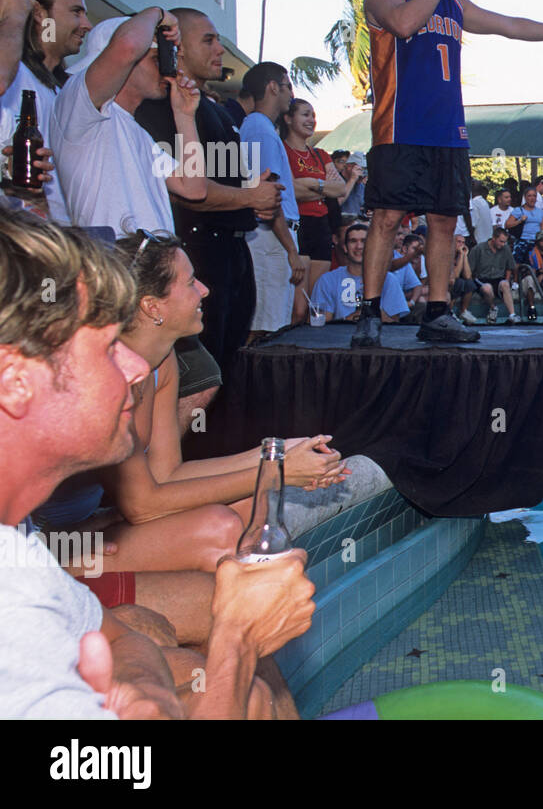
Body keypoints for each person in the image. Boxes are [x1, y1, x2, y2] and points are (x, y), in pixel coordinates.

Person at [0, 210, 315, 719]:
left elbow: (118, 638)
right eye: (105, 347)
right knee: (238, 672)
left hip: (77, 550)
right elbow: (143, 502)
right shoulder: (13, 595)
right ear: (14, 382)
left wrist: (141, 685)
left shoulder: (16, 548)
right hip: (81, 547)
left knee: (232, 678)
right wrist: (237, 640)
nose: (130, 368)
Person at [354, 0, 543, 347]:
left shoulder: (452, 4)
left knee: (445, 222)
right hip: (401, 126)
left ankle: (438, 312)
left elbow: (511, 26)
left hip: (448, 130)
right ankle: (369, 313)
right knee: (388, 217)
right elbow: (404, 24)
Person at [133, 8, 281, 377]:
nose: (219, 49)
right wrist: (250, 197)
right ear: (177, 48)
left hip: (234, 253)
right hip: (198, 255)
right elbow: (185, 190)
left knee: (228, 365)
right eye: (208, 40)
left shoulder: (214, 110)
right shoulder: (160, 107)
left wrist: (259, 190)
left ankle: (220, 436)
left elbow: (231, 177)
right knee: (200, 374)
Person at [49, 11, 207, 234]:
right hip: (110, 265)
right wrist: (158, 14)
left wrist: (184, 116)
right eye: (156, 59)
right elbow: (127, 45)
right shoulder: (80, 107)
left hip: (149, 265)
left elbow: (193, 188)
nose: (167, 70)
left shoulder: (137, 132)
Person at [2, 0, 84, 221]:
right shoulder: (12, 79)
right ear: (39, 13)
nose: (87, 25)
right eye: (76, 12)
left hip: (61, 243)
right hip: (22, 245)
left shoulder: (61, 89)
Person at [239, 62, 306, 336]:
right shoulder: (259, 129)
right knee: (267, 327)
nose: (291, 93)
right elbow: (268, 194)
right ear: (272, 87)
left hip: (273, 237)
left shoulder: (262, 128)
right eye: (288, 85)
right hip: (270, 238)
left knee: (273, 321)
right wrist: (291, 250)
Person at [281, 99, 356, 323]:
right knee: (298, 308)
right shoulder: (282, 149)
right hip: (297, 224)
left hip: (321, 226)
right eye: (305, 115)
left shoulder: (321, 154)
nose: (311, 120)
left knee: (316, 305)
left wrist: (312, 184)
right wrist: (323, 186)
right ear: (288, 118)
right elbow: (290, 190)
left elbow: (340, 188)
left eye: (313, 115)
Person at [312, 224, 410, 322]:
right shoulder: (327, 280)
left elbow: (394, 325)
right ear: (345, 248)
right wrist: (349, 319)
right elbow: (323, 325)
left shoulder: (388, 280)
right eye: (353, 241)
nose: (359, 246)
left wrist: (372, 312)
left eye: (364, 241)